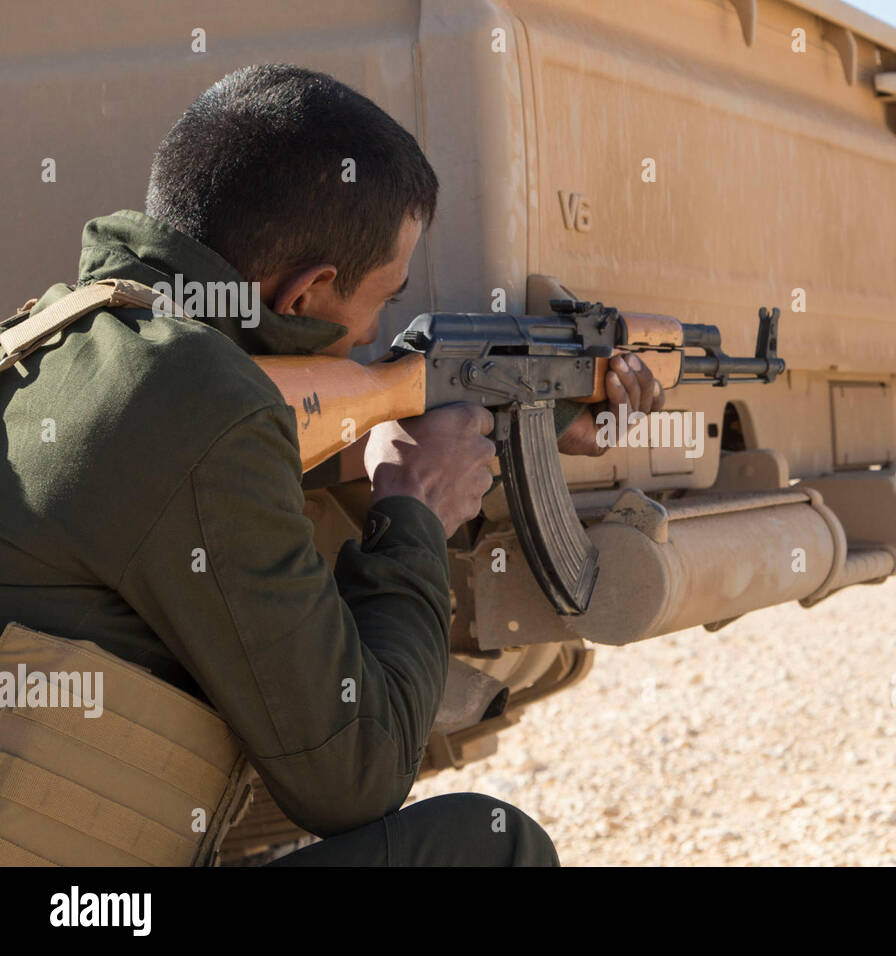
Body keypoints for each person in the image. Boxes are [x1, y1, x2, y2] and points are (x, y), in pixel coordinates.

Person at [0, 64, 663, 866]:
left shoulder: (48, 337)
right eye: (382, 299)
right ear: (309, 290)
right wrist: (414, 504)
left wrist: (541, 421)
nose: (370, 335)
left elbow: (182, 482)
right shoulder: (204, 401)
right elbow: (357, 774)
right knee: (488, 847)